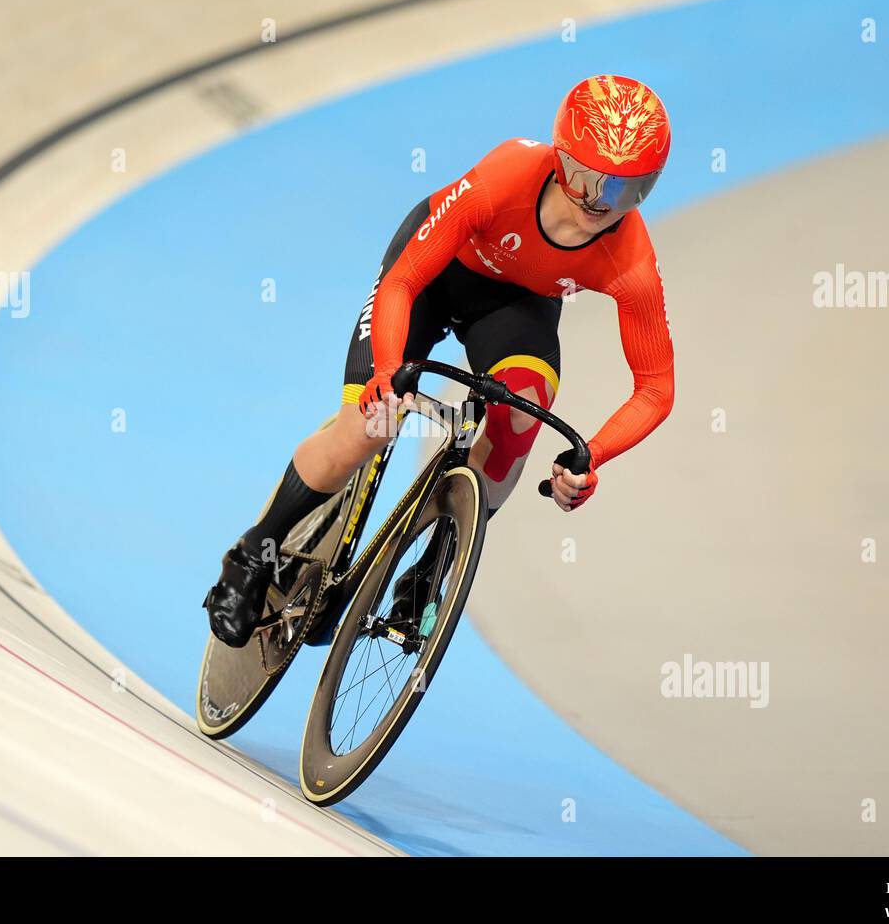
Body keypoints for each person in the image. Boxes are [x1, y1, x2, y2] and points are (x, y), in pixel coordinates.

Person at [205, 74, 675, 648]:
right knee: (370, 427)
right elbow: (403, 281)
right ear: (563, 163)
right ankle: (255, 552)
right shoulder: (506, 176)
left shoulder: (631, 261)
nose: (611, 206)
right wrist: (385, 372)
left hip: (513, 306)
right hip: (433, 273)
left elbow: (656, 387)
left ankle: (430, 572)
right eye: (599, 184)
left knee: (521, 415)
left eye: (634, 191)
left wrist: (591, 455)